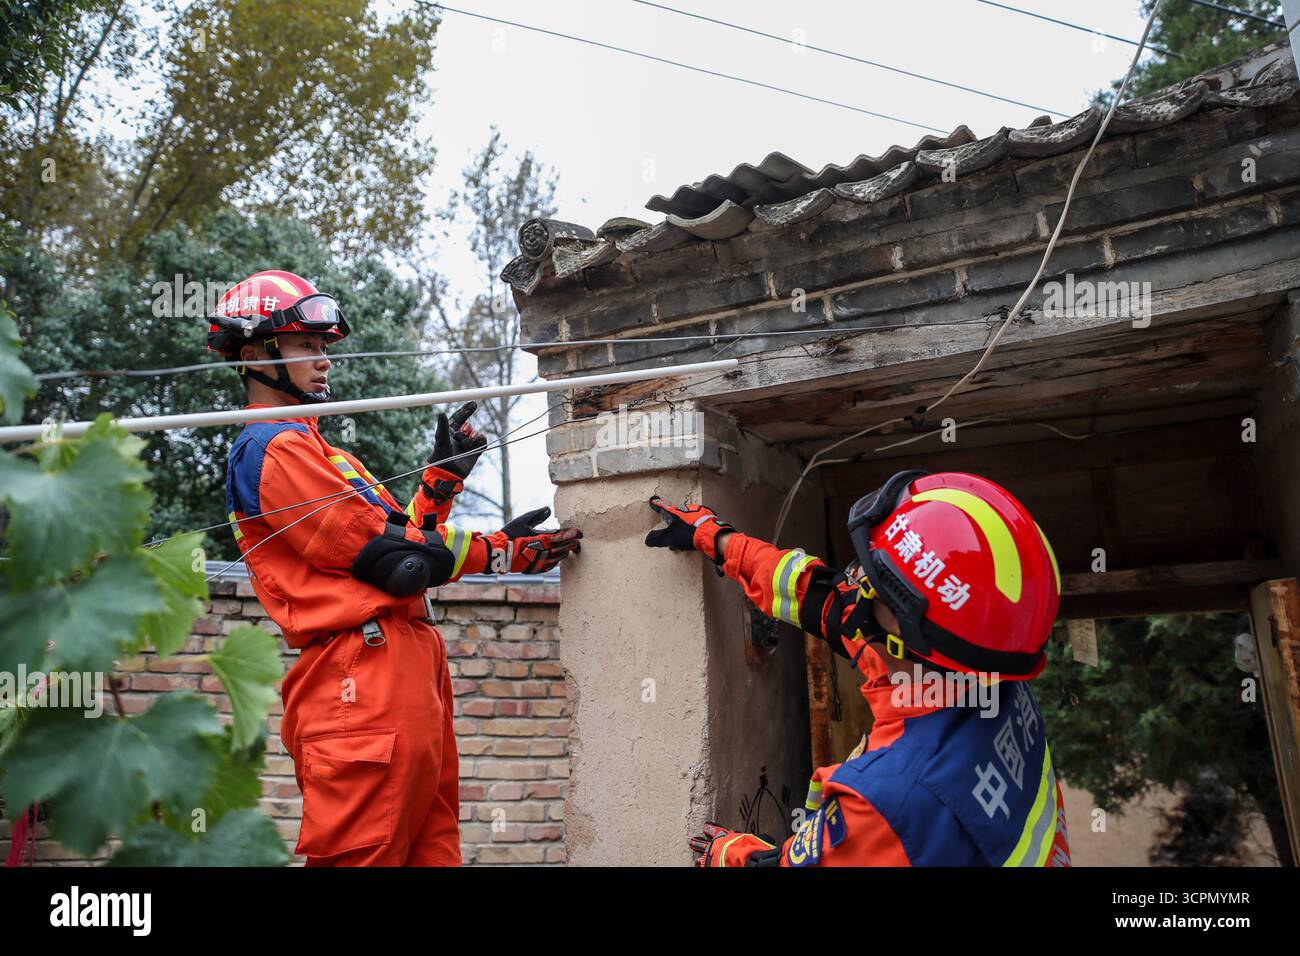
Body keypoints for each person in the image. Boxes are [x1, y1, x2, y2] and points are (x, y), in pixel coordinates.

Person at [210, 269, 581, 866]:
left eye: (324, 345)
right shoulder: (273, 448)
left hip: (400, 665)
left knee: (431, 853)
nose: (323, 359)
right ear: (254, 357)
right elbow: (396, 563)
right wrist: (499, 552)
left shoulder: (319, 450)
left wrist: (439, 484)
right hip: (359, 673)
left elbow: (397, 538)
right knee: (365, 856)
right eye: (305, 345)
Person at [644, 470, 1070, 867]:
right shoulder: (982, 670)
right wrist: (718, 539)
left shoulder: (891, 797)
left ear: (901, 631)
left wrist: (729, 854)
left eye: (871, 579)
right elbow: (822, 599)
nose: (854, 578)